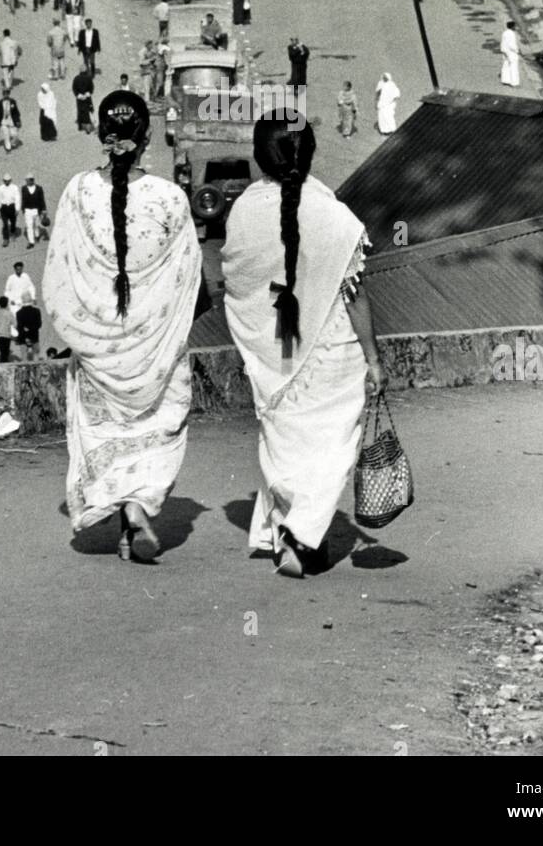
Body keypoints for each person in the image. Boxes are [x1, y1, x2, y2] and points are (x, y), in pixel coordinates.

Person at [42, 91, 202, 559]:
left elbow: (58, 275)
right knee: (155, 429)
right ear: (147, 137)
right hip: (156, 349)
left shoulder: (77, 191)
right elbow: (190, 279)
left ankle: (126, 511)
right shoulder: (170, 198)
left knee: (107, 432)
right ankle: (137, 507)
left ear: (101, 135)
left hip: (97, 350)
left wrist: (88, 333)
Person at [222, 114, 384, 575]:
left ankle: (292, 531)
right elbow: (357, 293)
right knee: (330, 447)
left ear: (258, 158)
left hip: (274, 351)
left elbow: (235, 284)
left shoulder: (243, 212)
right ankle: (301, 535)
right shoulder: (334, 215)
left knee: (286, 443)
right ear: (310, 153)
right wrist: (374, 359)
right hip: (331, 354)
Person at [15, 292, 43, 361]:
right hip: (34, 337)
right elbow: (39, 325)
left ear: (22, 300)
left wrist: (26, 334)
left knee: (24, 358)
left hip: (23, 338)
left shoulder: (18, 313)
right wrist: (30, 329)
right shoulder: (37, 311)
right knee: (36, 358)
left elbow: (20, 327)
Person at [21, 174, 47, 248]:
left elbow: (42, 199)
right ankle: (31, 242)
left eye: (29, 180)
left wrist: (44, 209)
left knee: (36, 225)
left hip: (36, 210)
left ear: (32, 180)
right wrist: (23, 209)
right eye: (27, 180)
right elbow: (23, 199)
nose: (28, 182)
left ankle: (37, 235)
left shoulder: (39, 188)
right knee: (29, 226)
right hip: (27, 210)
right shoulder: (24, 188)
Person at [0, 171, 20, 246]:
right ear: (3, 181)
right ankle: (6, 239)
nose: (6, 182)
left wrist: (17, 209)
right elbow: (0, 198)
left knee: (13, 222)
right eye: (5, 181)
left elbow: (17, 198)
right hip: (4, 208)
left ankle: (13, 233)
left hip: (12, 207)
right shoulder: (0, 188)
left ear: (10, 180)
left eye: (8, 180)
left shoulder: (15, 188)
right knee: (5, 224)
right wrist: (0, 207)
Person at [0, 296, 15, 363]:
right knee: (6, 352)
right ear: (7, 304)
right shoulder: (9, 313)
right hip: (6, 335)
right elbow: (15, 324)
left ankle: (3, 363)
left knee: (2, 352)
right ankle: (4, 364)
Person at [500, 20, 521, 87]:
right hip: (511, 52)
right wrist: (517, 50)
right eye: (515, 26)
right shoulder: (512, 34)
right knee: (513, 67)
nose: (516, 27)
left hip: (505, 51)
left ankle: (505, 80)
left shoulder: (505, 32)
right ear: (512, 27)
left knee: (506, 65)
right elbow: (511, 45)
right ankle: (514, 82)